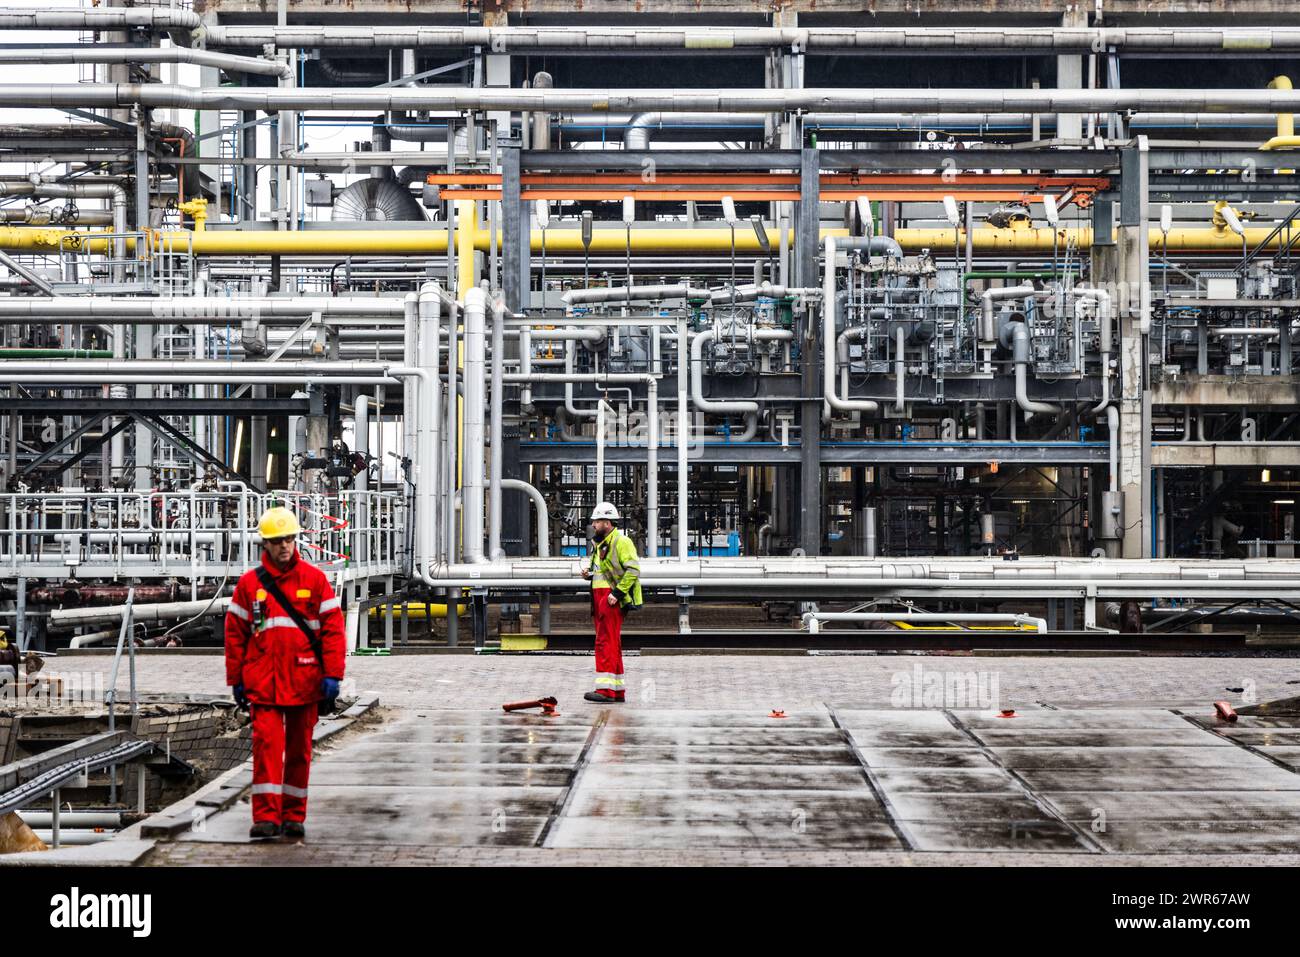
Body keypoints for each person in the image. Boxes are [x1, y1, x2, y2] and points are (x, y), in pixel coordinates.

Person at [224, 506, 345, 841]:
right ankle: (265, 818)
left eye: (289, 539)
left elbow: (333, 631)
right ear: (266, 543)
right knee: (266, 749)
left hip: (305, 681)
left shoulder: (314, 580)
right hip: (264, 683)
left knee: (299, 752)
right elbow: (235, 635)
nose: (284, 546)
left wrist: (333, 674)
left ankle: (293, 816)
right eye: (278, 540)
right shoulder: (250, 585)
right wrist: (236, 679)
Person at [580, 502, 641, 703]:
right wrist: (589, 574)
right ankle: (617, 690)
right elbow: (603, 571)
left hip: (610, 598)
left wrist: (618, 593)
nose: (593, 525)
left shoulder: (621, 542)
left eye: (596, 521)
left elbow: (633, 570)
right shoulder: (600, 543)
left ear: (607, 522)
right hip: (600, 597)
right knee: (611, 642)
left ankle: (605, 691)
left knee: (604, 641)